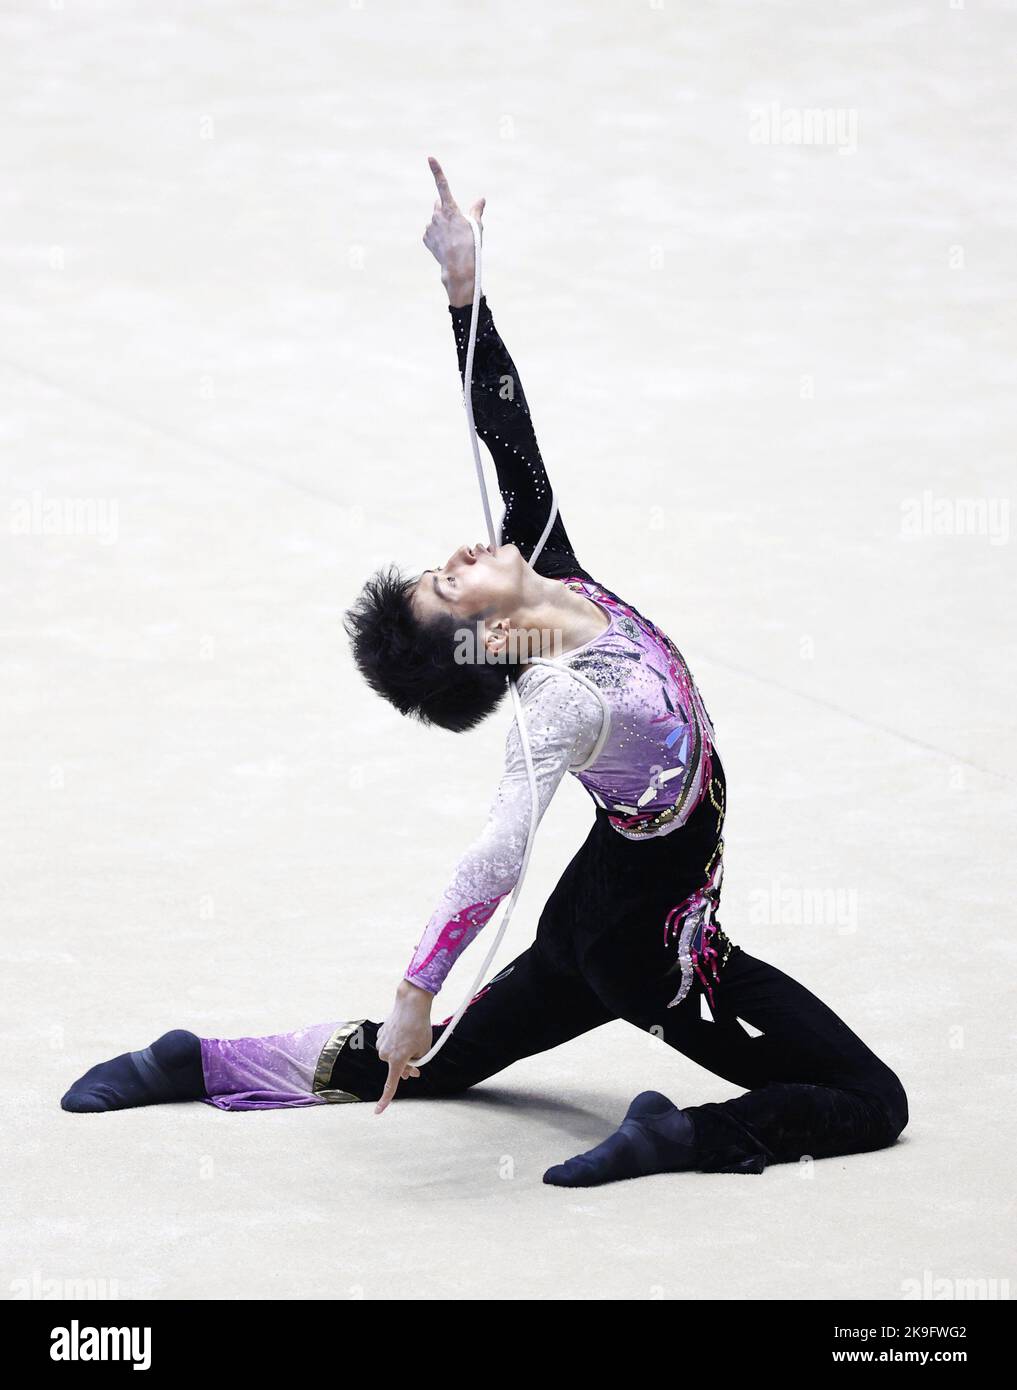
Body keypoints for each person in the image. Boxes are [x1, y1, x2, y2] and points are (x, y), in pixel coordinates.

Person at [61, 157, 909, 1186]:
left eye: (440, 566)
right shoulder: (562, 700)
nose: (462, 557)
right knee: (876, 1101)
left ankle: (196, 1059)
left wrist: (461, 286)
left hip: (596, 918)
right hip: (664, 958)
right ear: (488, 642)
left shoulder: (550, 564)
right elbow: (497, 850)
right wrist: (421, 981)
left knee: (427, 1066)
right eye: (451, 588)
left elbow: (504, 426)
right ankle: (686, 1135)